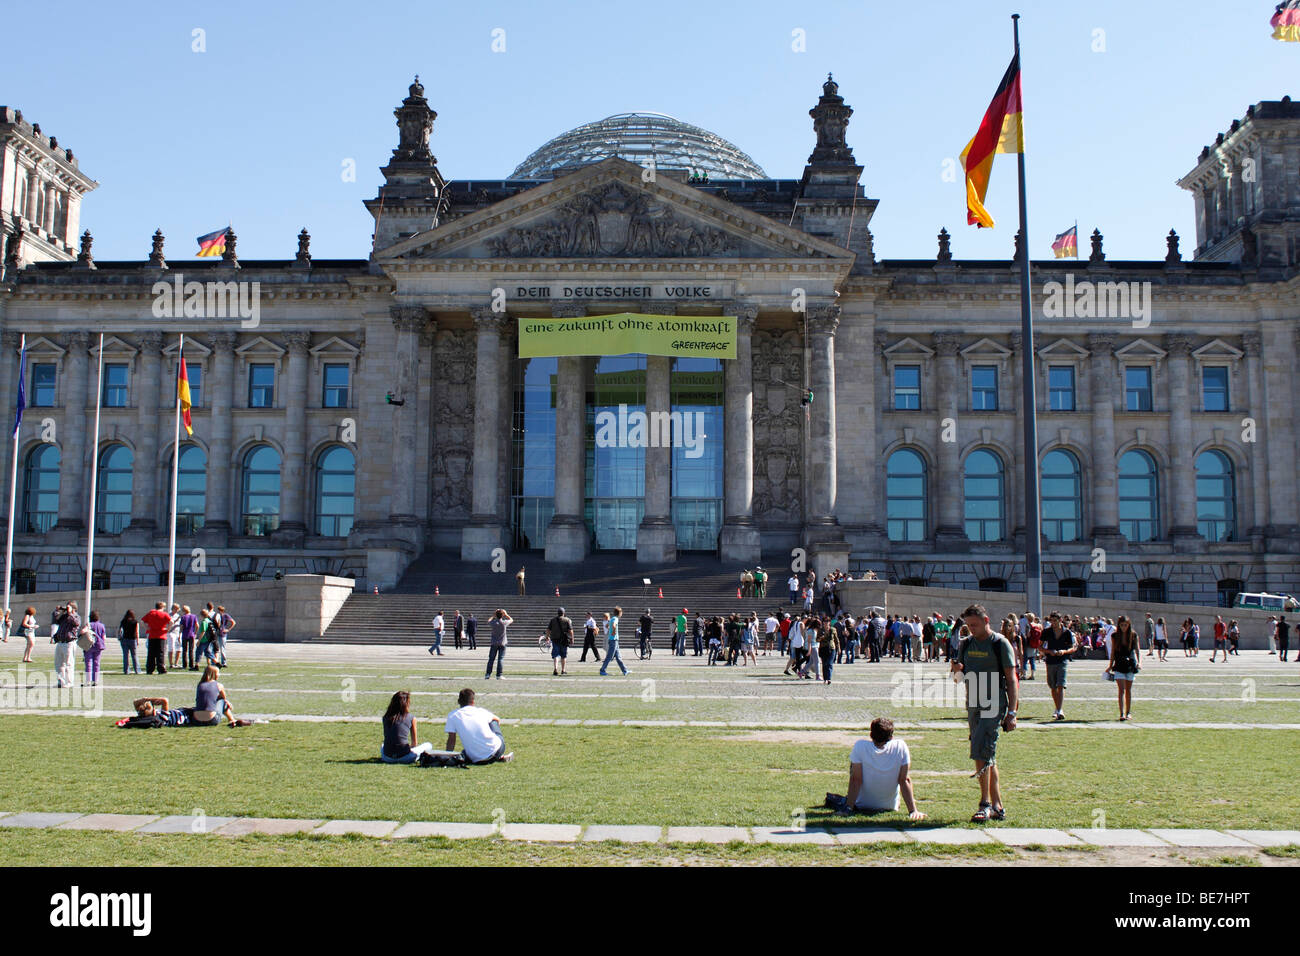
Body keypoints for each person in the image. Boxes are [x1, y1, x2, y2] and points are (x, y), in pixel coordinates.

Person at [950, 604, 1019, 823]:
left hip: (993, 701)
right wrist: (957, 671)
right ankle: (997, 805)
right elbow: (958, 681)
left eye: (975, 625)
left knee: (981, 750)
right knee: (987, 753)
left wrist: (1012, 712)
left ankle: (985, 804)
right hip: (974, 702)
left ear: (986, 620)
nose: (971, 629)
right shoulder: (966, 644)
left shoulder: (1000, 643)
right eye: (968, 625)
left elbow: (1011, 679)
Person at [826, 717, 925, 820]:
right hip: (891, 806)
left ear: (871, 735)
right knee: (906, 777)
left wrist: (848, 808)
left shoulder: (860, 746)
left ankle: (845, 802)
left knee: (835, 798)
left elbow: (856, 780)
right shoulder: (901, 746)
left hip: (861, 804)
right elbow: (904, 780)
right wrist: (913, 810)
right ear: (891, 737)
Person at [445, 688, 514, 764]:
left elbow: (451, 740)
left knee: (465, 751)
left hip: (475, 758)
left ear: (459, 701)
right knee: (493, 721)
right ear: (473, 701)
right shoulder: (481, 711)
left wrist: (447, 756)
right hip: (496, 751)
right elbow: (497, 719)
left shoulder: (452, 715)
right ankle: (499, 755)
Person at [1041, 611, 1078, 720]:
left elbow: (1073, 648)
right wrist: (1048, 651)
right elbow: (1039, 646)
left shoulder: (1067, 632)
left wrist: (1063, 652)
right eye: (1051, 621)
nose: (1053, 623)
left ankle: (1059, 710)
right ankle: (1057, 708)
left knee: (1060, 684)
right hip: (1050, 661)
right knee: (1053, 686)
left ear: (1060, 620)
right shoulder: (1046, 632)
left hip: (1062, 660)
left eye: (1055, 620)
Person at [381, 690, 434, 764]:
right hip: (405, 757)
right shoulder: (411, 718)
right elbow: (414, 743)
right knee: (428, 745)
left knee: (383, 744)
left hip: (387, 757)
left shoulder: (386, 717)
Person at [1107, 615, 1141, 721]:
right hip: (1119, 664)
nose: (1123, 627)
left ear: (1129, 625)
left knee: (1128, 690)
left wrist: (1139, 662)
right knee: (1121, 690)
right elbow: (1112, 651)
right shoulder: (1115, 636)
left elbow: (1137, 650)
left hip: (1130, 664)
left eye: (1125, 625)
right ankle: (1121, 713)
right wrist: (1110, 665)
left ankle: (1128, 712)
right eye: (1122, 625)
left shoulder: (1133, 635)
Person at [51, 602, 80, 688]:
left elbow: (76, 623)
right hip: (60, 642)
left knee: (69, 663)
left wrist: (70, 613)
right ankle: (61, 681)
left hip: (69, 642)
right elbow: (56, 621)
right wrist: (57, 611)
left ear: (73, 608)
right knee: (58, 664)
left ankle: (69, 682)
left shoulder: (76, 616)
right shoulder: (64, 616)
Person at [141, 602, 171, 675]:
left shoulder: (151, 613)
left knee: (151, 653)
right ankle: (161, 669)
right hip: (161, 635)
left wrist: (147, 628)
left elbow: (142, 621)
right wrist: (167, 629)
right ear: (162, 607)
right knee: (160, 653)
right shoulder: (164, 614)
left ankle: (150, 669)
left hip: (152, 635)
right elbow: (171, 622)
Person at [485, 608, 512, 679]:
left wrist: (493, 615)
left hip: (494, 643)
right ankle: (499, 675)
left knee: (491, 659)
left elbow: (488, 620)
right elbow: (511, 620)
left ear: (496, 615)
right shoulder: (504, 622)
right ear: (502, 616)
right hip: (502, 643)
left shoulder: (493, 622)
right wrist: (506, 614)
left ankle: (488, 674)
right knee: (500, 659)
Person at [600, 609, 628, 676]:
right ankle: (602, 670)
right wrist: (613, 631)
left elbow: (607, 625)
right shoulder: (615, 619)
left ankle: (625, 670)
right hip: (613, 640)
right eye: (621, 613)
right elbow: (614, 625)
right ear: (619, 613)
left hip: (614, 640)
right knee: (609, 656)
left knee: (618, 657)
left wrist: (610, 629)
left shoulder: (612, 618)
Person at [83, 610, 106, 686]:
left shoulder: (89, 625)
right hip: (99, 645)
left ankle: (88, 680)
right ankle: (96, 680)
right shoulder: (101, 625)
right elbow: (103, 636)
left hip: (89, 645)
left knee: (88, 663)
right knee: (97, 663)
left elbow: (84, 633)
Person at [547, 607, 573, 676]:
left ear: (557, 613)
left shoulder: (553, 620)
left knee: (555, 655)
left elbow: (548, 630)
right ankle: (563, 670)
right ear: (564, 613)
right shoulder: (567, 620)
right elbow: (571, 631)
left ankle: (555, 668)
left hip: (555, 639)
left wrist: (547, 637)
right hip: (564, 640)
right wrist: (572, 639)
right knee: (563, 655)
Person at [179, 605, 199, 671]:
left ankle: (184, 665)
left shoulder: (183, 617)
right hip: (191, 635)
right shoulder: (194, 616)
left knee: (184, 650)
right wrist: (195, 633)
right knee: (191, 650)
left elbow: (181, 627)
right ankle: (191, 665)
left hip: (185, 635)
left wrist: (179, 634)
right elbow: (197, 625)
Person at [818, 620, 838, 685]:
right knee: (824, 664)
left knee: (829, 663)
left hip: (831, 648)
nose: (826, 625)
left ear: (829, 623)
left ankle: (829, 678)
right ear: (823, 623)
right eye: (825, 623)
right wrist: (821, 638)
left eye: (827, 623)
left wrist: (839, 647)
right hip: (823, 648)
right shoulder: (820, 630)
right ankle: (825, 678)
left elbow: (836, 639)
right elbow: (817, 639)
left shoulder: (833, 629)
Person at [167, 603, 182, 669]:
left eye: (177, 609)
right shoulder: (169, 615)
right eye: (175, 609)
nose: (177, 610)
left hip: (177, 632)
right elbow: (171, 623)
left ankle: (176, 663)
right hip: (171, 632)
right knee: (171, 648)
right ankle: (171, 663)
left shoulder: (178, 615)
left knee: (179, 648)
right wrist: (176, 620)